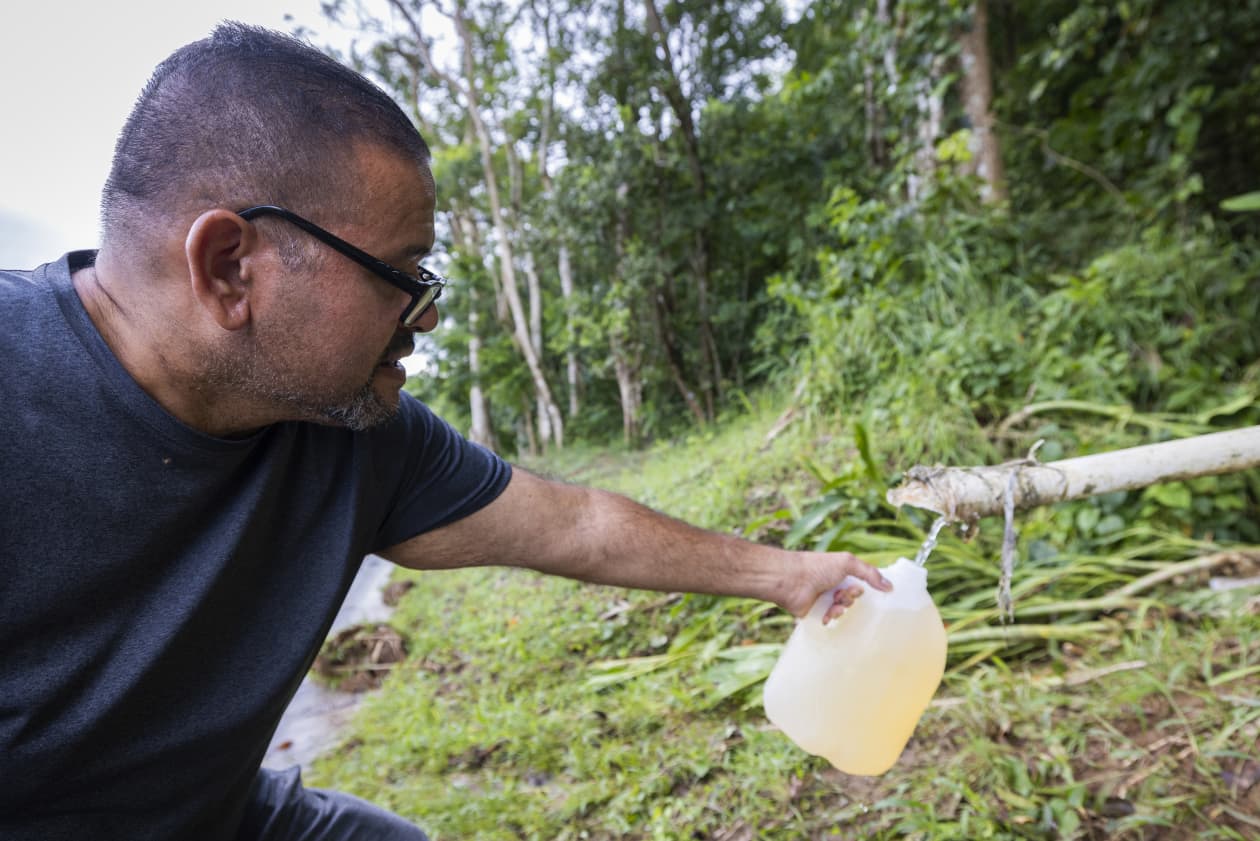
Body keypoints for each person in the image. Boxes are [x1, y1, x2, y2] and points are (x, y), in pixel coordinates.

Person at [0, 23, 891, 841]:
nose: (424, 317)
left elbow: (575, 523)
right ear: (230, 266)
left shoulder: (354, 433)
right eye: (401, 273)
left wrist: (792, 575)